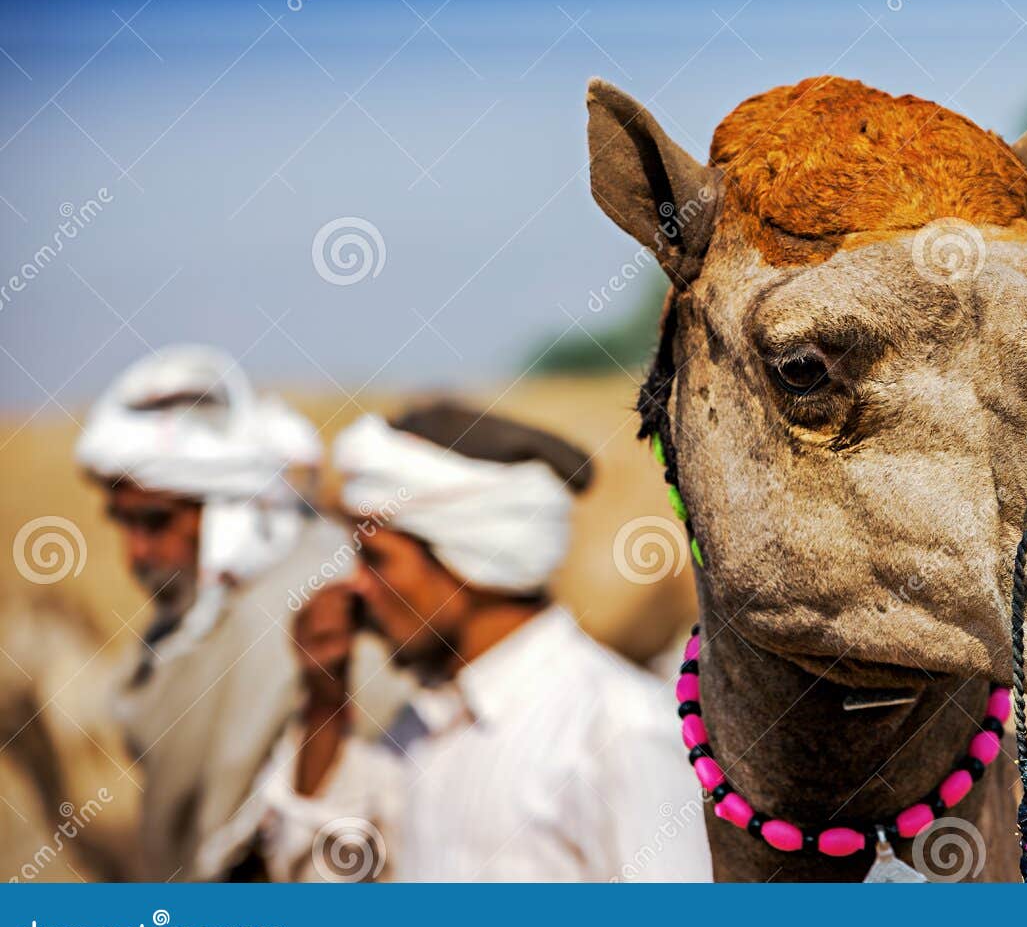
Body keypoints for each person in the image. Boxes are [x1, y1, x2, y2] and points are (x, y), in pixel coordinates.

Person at [255, 403, 711, 882]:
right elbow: (317, 884)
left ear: (469, 560)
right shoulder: (419, 729)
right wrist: (325, 701)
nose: (357, 587)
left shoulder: (617, 729)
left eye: (377, 560)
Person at [74, 346, 401, 880]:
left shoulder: (313, 597)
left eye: (155, 522)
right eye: (122, 523)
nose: (135, 553)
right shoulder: (196, 622)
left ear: (231, 516)